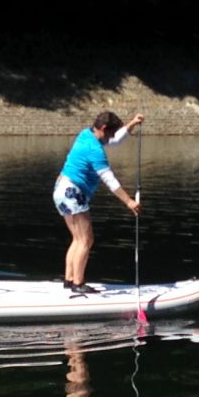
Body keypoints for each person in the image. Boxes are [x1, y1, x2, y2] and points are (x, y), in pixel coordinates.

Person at [53, 110, 143, 293]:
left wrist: (132, 123)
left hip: (61, 189)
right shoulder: (95, 150)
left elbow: (116, 139)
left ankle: (69, 280)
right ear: (103, 128)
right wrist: (129, 202)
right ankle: (78, 284)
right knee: (86, 240)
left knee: (78, 239)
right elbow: (110, 180)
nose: (112, 137)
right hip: (72, 192)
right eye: (110, 132)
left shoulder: (86, 134)